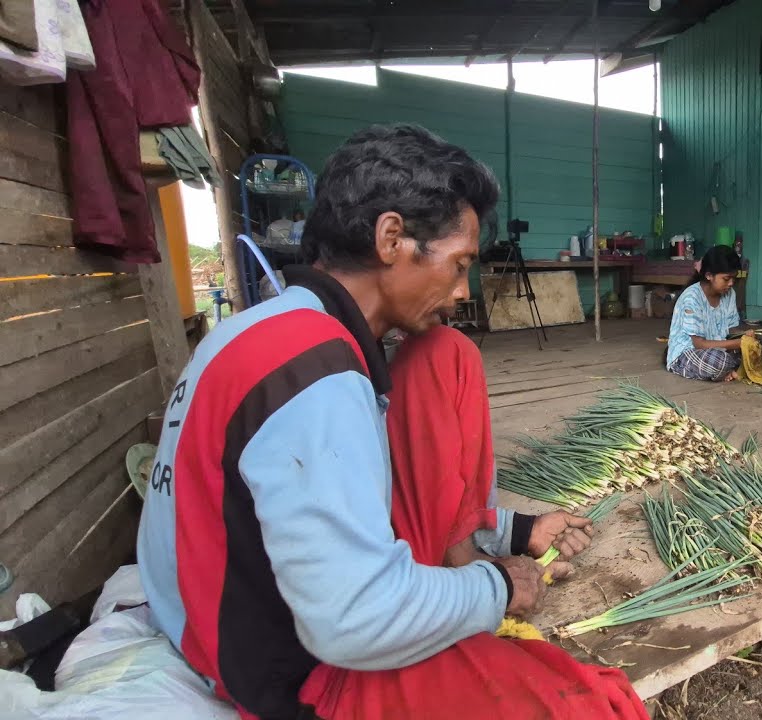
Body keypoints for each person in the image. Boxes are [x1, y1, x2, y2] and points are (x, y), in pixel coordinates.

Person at [137, 124, 647, 719]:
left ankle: (465, 554)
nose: (461, 291)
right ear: (392, 238)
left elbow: (357, 500)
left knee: (445, 351)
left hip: (226, 610)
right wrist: (499, 587)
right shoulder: (316, 379)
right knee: (596, 704)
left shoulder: (268, 330)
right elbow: (352, 622)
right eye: (458, 265)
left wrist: (512, 530)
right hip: (286, 671)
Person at [666, 245, 750, 382]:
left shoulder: (730, 294)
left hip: (719, 349)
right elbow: (699, 344)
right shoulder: (692, 298)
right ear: (709, 275)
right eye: (726, 279)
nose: (731, 283)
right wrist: (739, 343)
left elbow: (731, 329)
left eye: (734, 279)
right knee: (719, 361)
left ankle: (731, 370)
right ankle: (732, 369)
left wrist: (746, 336)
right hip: (688, 354)